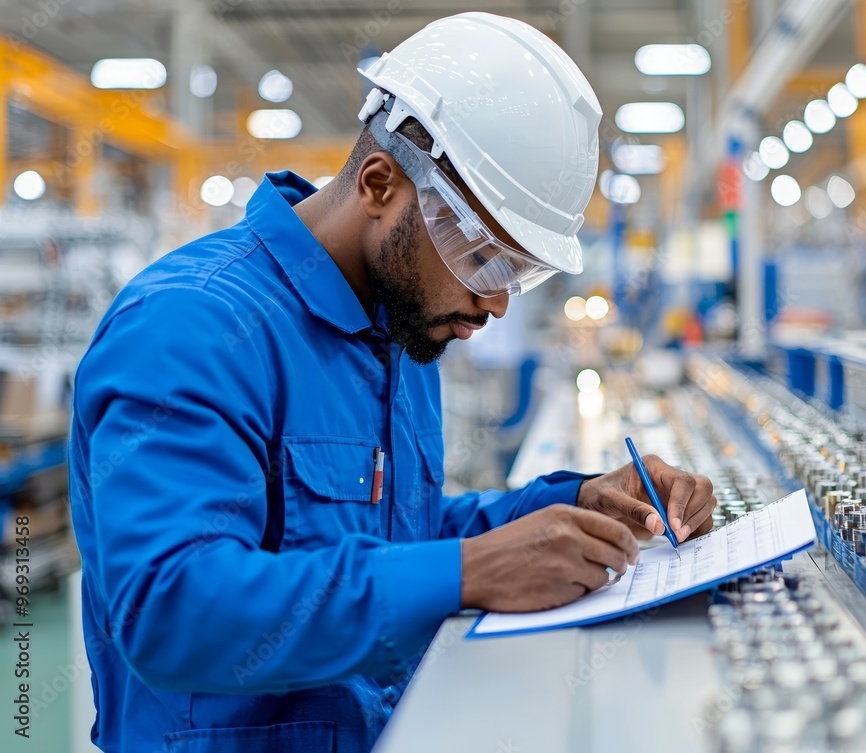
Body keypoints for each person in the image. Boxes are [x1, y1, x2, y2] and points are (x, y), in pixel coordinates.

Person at [68, 12, 716, 753]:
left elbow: (398, 537)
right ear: (381, 184)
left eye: (521, 273)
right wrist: (466, 572)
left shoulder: (398, 329)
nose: (497, 302)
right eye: (483, 259)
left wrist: (570, 504)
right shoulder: (190, 328)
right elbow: (171, 608)